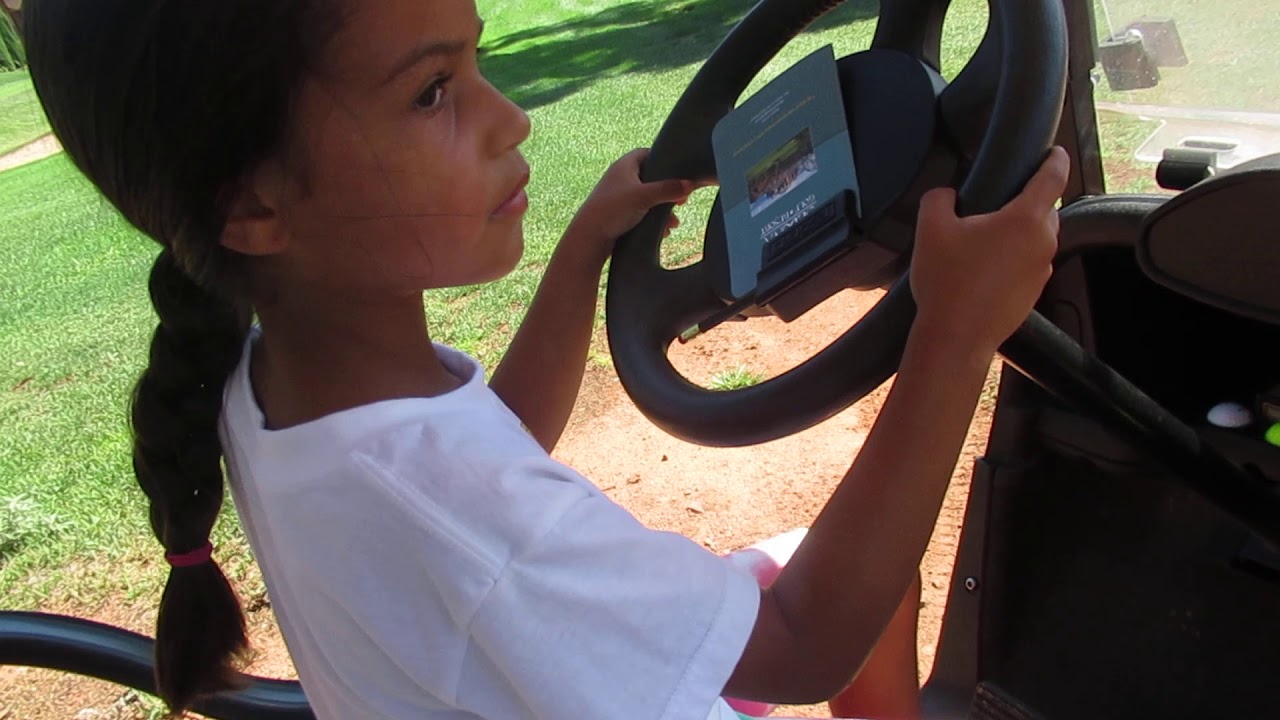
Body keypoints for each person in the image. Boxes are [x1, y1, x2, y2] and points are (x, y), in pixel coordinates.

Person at [23, 0, 1070, 718]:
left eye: (476, 60)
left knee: (830, 561)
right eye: (433, 92)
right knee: (847, 581)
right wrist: (953, 333)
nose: (509, 117)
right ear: (254, 203)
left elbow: (488, 446)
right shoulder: (455, 508)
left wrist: (579, 253)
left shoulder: (277, 388)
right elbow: (799, 646)